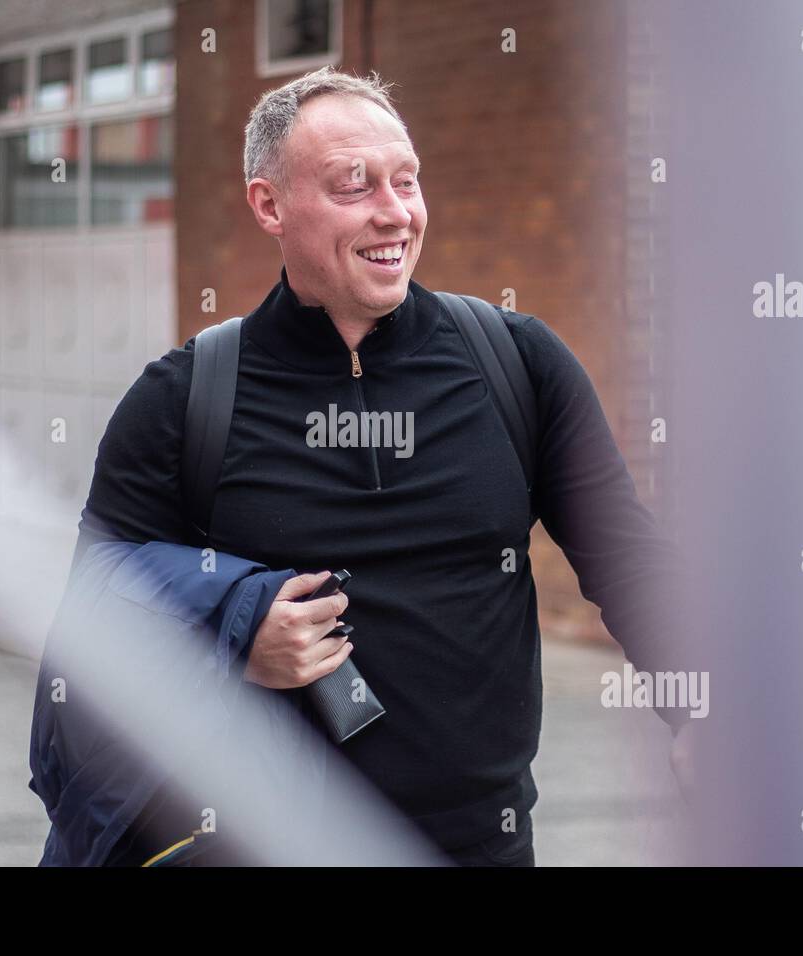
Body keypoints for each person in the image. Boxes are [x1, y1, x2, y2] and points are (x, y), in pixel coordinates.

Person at [77, 66, 696, 867]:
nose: (395, 212)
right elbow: (90, 603)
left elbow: (627, 559)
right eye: (352, 185)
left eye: (406, 180)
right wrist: (228, 638)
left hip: (482, 844)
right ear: (269, 205)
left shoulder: (518, 365)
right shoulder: (186, 399)